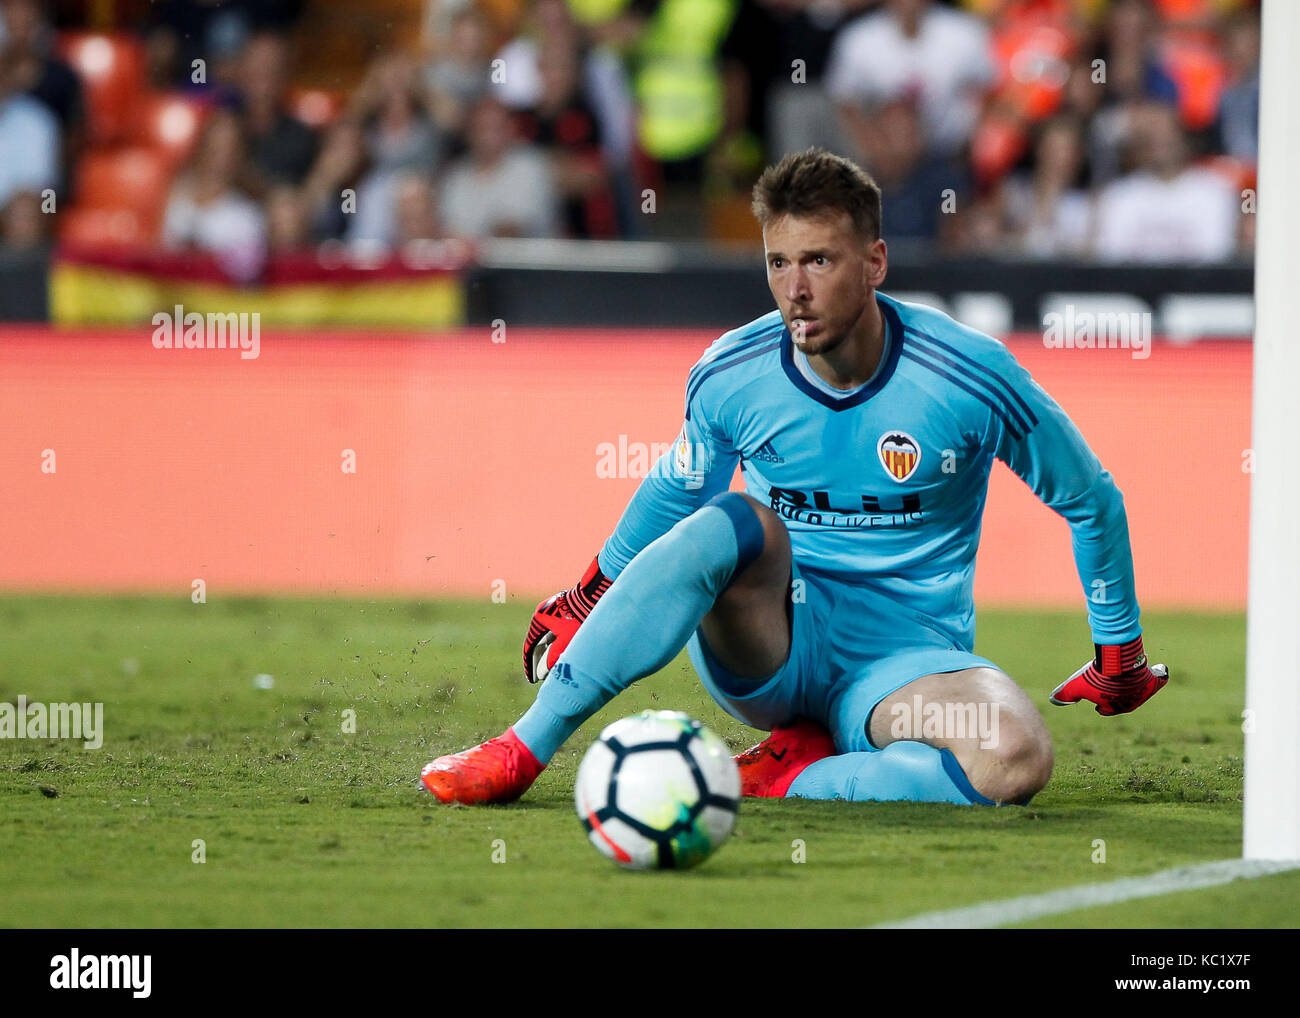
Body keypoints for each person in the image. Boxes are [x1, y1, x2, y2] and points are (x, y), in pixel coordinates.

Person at [420, 148, 1168, 808]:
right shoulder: (732, 373)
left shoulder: (969, 376)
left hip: (906, 664)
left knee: (1015, 758)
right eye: (779, 262)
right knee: (736, 520)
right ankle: (521, 750)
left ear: (874, 263)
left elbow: (1090, 500)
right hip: (772, 642)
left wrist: (1120, 652)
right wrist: (590, 590)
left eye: (820, 260)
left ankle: (794, 775)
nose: (795, 289)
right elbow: (681, 487)